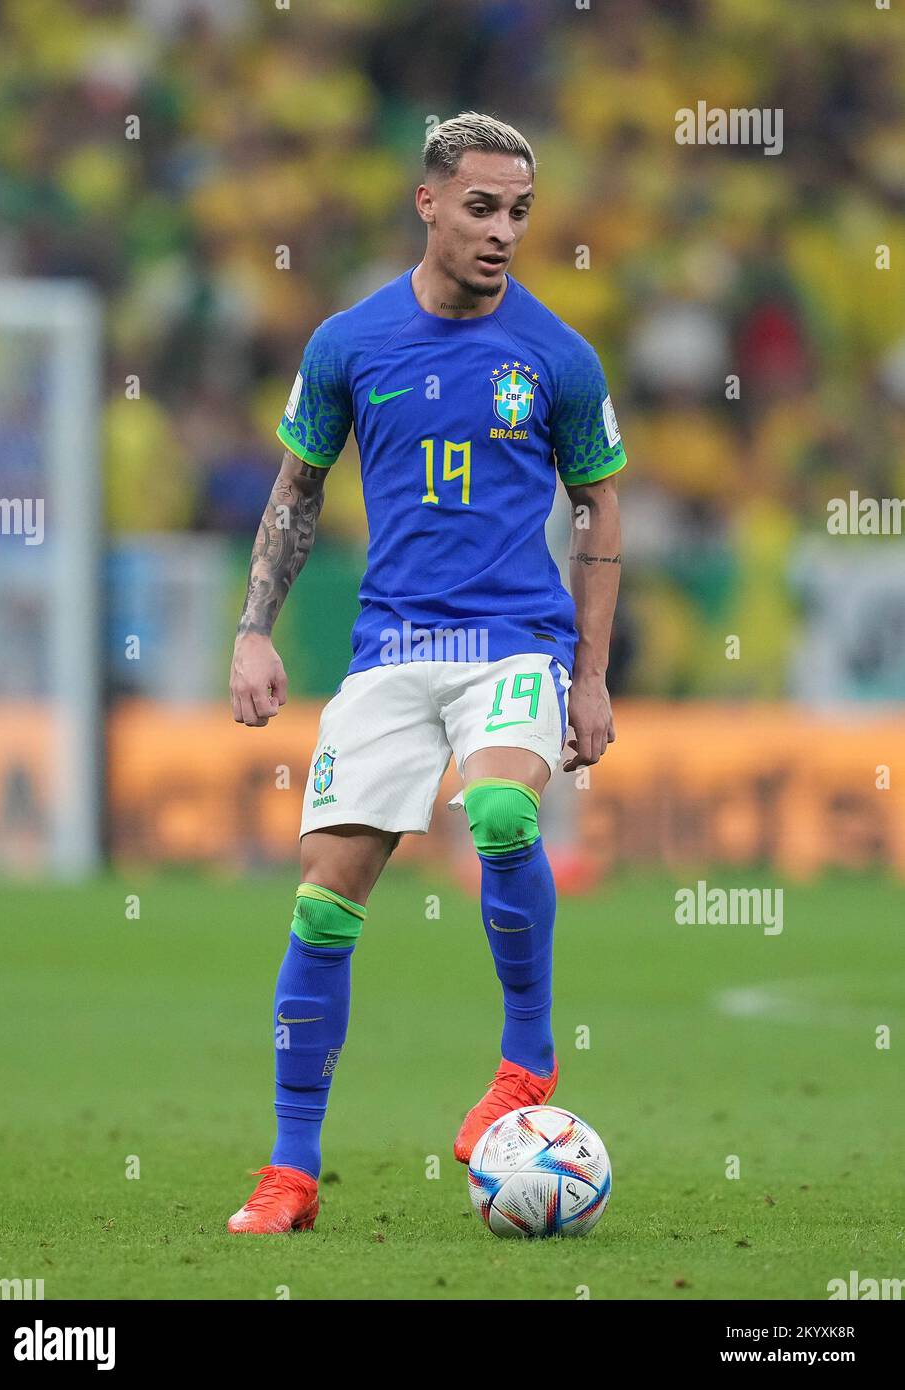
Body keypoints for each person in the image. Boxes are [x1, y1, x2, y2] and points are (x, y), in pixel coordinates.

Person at [227, 112, 626, 1234]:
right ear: (427, 203)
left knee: (500, 810)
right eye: (482, 208)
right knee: (321, 903)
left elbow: (600, 504)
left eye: (520, 214)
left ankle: (524, 1057)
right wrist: (253, 628)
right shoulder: (349, 343)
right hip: (391, 649)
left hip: (513, 639)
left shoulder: (557, 355)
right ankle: (291, 1172)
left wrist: (588, 676)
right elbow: (296, 490)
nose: (503, 232)